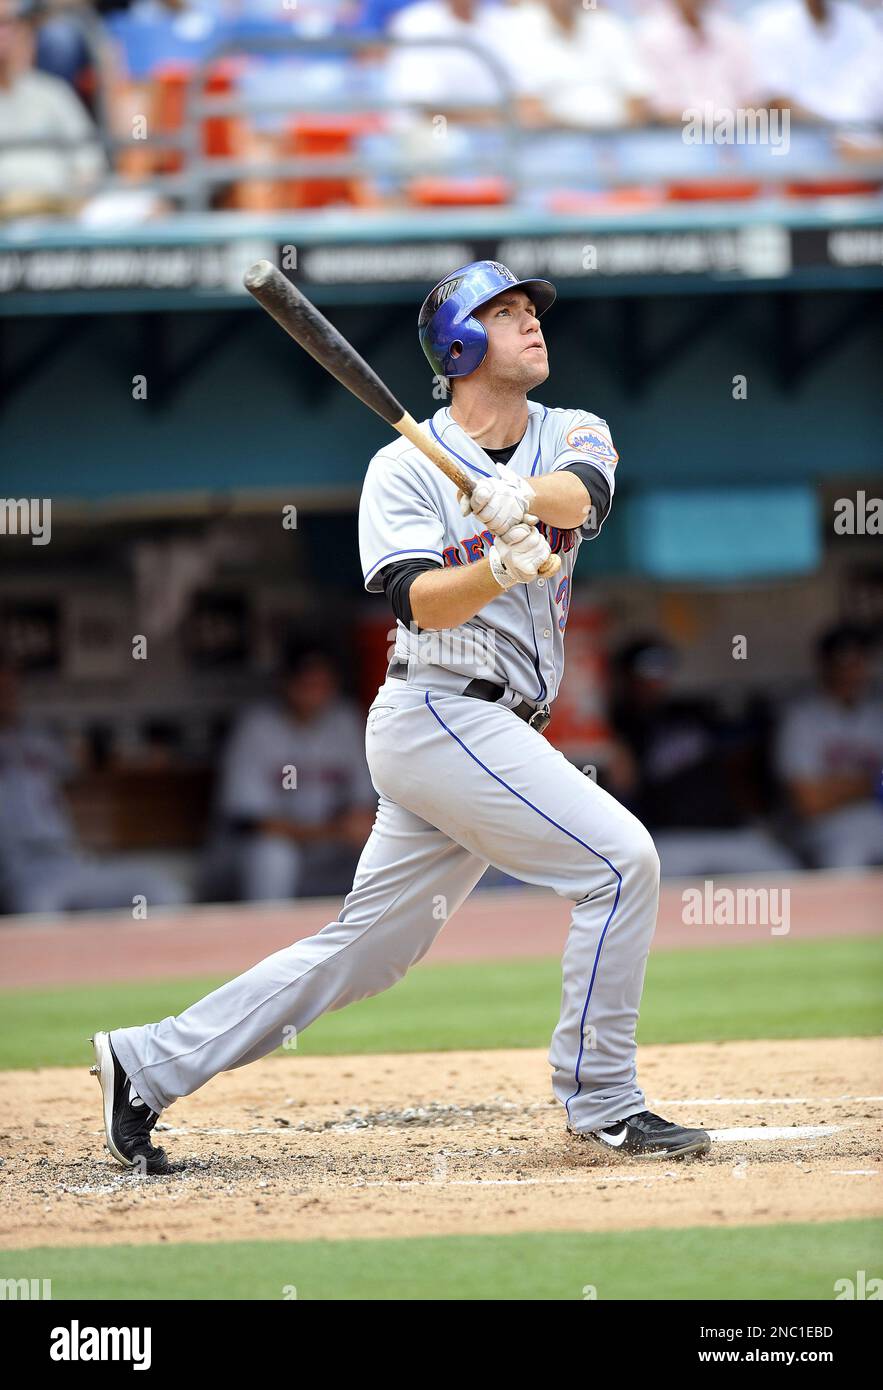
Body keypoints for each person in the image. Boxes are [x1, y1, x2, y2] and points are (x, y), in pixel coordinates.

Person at [90, 258, 711, 1175]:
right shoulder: (401, 468)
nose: (532, 323)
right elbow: (417, 603)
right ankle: (604, 1101)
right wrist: (498, 564)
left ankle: (145, 1063)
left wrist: (517, 500)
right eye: (504, 314)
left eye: (529, 309)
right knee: (621, 864)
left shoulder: (573, 426)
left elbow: (585, 493)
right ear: (460, 345)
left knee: (369, 951)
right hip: (439, 712)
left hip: (499, 726)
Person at [0, 664, 184, 915]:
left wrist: (142, 759)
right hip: (19, 870)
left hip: (69, 860)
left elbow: (93, 763)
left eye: (10, 687)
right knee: (38, 908)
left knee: (161, 892)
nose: (8, 695)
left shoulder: (37, 740)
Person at [607, 637, 799, 877]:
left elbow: (743, 754)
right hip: (669, 839)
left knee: (789, 878)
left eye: (661, 672)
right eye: (645, 674)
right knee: (646, 889)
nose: (654, 682)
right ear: (625, 677)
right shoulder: (615, 725)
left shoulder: (692, 713)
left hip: (730, 832)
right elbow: (622, 785)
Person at [200, 647, 377, 902]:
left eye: (321, 684)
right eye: (306, 683)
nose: (315, 692)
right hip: (252, 857)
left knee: (378, 850)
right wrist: (331, 831)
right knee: (274, 855)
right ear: (286, 683)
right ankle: (267, 937)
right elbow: (254, 823)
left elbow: (364, 805)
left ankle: (370, 937)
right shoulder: (257, 726)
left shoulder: (345, 721)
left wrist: (356, 823)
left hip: (329, 854)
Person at [776, 625, 883, 868]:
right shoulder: (802, 717)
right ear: (824, 664)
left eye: (858, 660)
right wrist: (873, 783)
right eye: (843, 661)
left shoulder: (877, 711)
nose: (851, 671)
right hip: (824, 828)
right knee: (848, 854)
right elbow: (809, 802)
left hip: (875, 819)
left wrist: (838, 788)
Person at [0, 0, 105, 218]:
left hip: (63, 213)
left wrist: (78, 200)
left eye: (8, 24)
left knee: (151, 209)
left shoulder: (53, 92)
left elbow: (89, 160)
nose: (4, 35)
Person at [507, 0, 650, 130]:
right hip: (553, 141)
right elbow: (528, 108)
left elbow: (638, 98)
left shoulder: (609, 26)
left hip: (621, 137)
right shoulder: (520, 28)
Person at [749, 0, 883, 124]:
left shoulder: (861, 24)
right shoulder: (770, 24)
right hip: (798, 138)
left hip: (859, 136)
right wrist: (832, 127)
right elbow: (777, 101)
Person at [635, 0, 757, 125]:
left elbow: (750, 99)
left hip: (736, 133)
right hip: (678, 135)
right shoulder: (651, 37)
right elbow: (663, 109)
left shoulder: (731, 32)